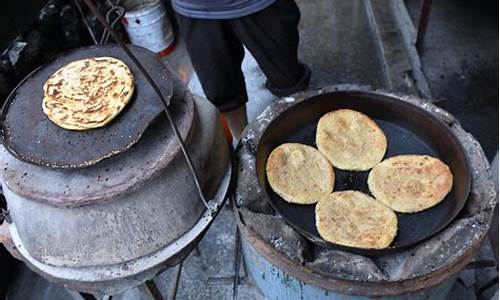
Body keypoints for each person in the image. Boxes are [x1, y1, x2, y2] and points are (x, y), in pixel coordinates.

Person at [172, 0, 311, 139]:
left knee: (287, 76)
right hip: (195, 9)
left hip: (260, 4)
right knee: (221, 89)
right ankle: (243, 140)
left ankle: (301, 131)